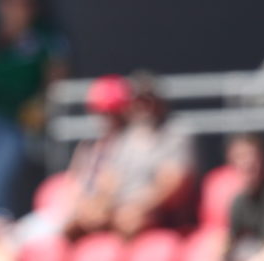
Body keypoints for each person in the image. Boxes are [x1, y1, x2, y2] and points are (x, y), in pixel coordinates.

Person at [0, 0, 68, 219]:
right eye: (6, 5)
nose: (10, 9)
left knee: (2, 178)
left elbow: (56, 78)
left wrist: (40, 107)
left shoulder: (46, 38)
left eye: (17, 5)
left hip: (15, 121)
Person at [65, 73, 196, 238]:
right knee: (73, 227)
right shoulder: (125, 139)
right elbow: (110, 180)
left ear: (159, 102)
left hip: (160, 213)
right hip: (122, 208)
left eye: (148, 100)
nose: (144, 106)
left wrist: (136, 207)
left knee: (129, 222)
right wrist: (98, 208)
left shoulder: (175, 133)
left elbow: (173, 184)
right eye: (138, 101)